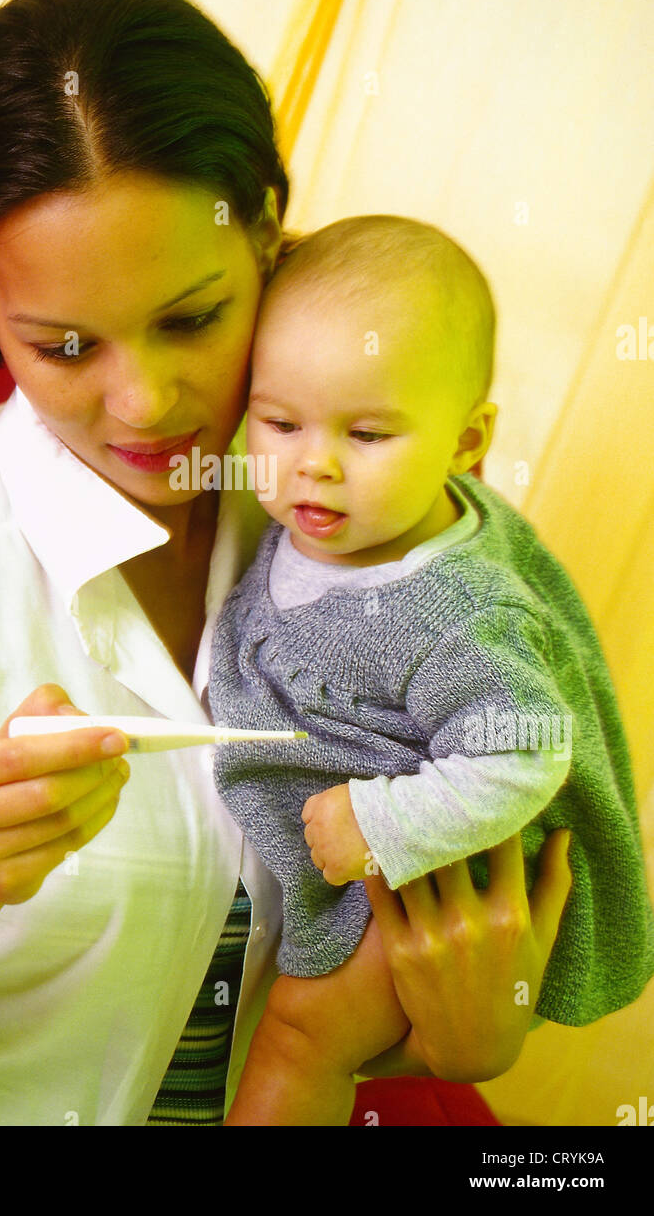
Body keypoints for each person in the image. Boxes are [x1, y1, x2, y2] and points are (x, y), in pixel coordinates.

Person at [0, 0, 572, 1127]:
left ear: (264, 233)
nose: (145, 403)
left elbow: (355, 967)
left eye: (193, 318)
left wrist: (471, 1028)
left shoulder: (391, 537)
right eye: (63, 346)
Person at [209, 215, 654, 1126]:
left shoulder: (449, 609)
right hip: (377, 871)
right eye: (280, 421)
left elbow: (525, 751)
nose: (313, 465)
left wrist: (379, 819)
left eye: (366, 434)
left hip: (427, 879)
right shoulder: (329, 524)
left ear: (465, 443)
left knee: (299, 1036)